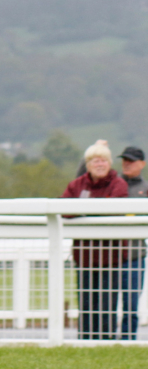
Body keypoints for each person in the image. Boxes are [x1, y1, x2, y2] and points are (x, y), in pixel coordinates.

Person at [61, 140, 128, 339]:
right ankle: (85, 339)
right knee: (86, 301)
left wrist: (82, 210)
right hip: (85, 257)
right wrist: (92, 210)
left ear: (109, 163)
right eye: (95, 161)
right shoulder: (77, 184)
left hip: (112, 258)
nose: (100, 164)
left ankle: (105, 340)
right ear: (88, 164)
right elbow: (63, 209)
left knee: (107, 303)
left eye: (104, 160)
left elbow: (116, 211)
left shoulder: (119, 184)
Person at [118, 146, 147, 340]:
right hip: (110, 253)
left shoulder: (145, 188)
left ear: (142, 164)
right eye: (124, 160)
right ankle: (106, 338)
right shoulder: (113, 184)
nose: (127, 164)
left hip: (135, 254)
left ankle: (129, 338)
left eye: (131, 161)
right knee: (106, 300)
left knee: (131, 301)